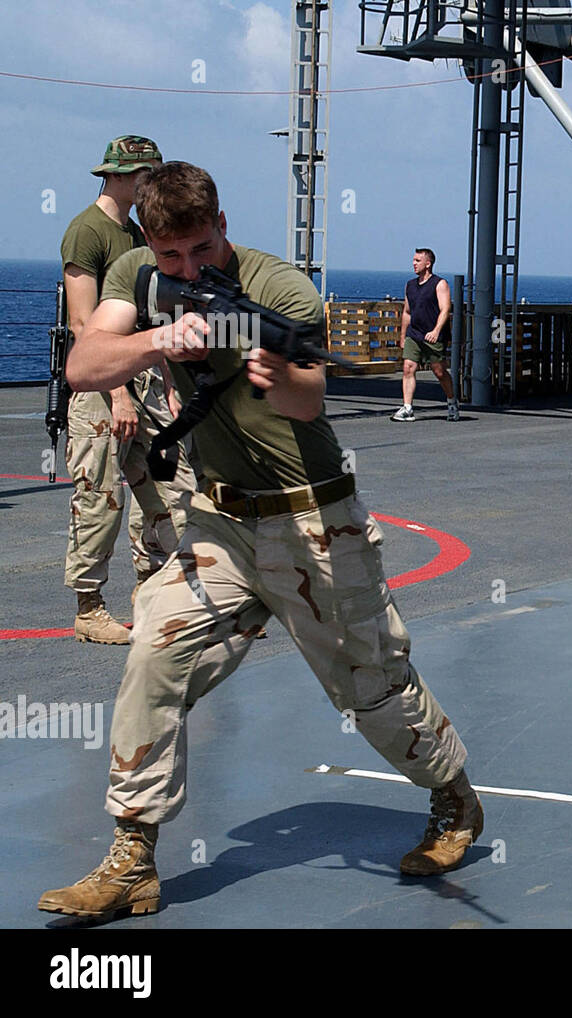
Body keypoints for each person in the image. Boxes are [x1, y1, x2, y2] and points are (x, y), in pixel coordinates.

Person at [39, 162, 482, 922]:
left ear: (223, 224)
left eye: (202, 250)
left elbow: (309, 401)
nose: (188, 268)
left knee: (368, 687)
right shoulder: (135, 275)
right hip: (218, 523)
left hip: (315, 519)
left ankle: (454, 799)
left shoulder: (282, 293)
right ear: (149, 242)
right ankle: (132, 858)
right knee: (154, 656)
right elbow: (83, 364)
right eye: (171, 256)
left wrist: (270, 371)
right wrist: (159, 341)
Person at [59, 135, 195, 644]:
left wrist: (167, 388)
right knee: (99, 497)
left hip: (142, 379)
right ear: (121, 176)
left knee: (170, 488)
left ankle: (152, 590)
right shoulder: (87, 232)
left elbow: (148, 319)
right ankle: (89, 608)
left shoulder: (137, 234)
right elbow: (83, 322)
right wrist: (117, 394)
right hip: (104, 385)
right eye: (146, 177)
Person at [390, 248, 458, 422]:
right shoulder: (410, 285)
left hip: (433, 336)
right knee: (408, 368)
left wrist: (436, 331)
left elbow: (445, 309)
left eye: (418, 260)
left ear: (428, 264)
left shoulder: (439, 284)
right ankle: (407, 408)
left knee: (439, 371)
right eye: (413, 260)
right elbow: (407, 312)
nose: (414, 263)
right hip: (415, 334)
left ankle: (451, 402)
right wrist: (403, 336)